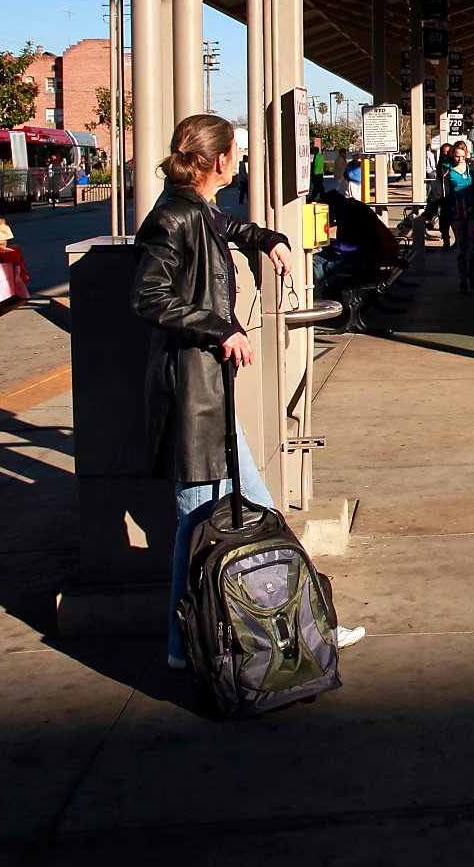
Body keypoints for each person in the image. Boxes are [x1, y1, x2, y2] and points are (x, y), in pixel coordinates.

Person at [130, 113, 365, 671]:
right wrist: (221, 327)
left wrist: (270, 239)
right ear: (218, 161)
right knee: (196, 523)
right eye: (234, 152)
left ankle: (304, 620)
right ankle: (190, 645)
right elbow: (147, 297)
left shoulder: (196, 208)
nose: (238, 161)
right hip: (191, 396)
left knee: (252, 510)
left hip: (207, 393)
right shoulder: (174, 216)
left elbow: (226, 230)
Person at [437, 137, 474, 291]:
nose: (460, 159)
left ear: (466, 155)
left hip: (473, 210)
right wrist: (430, 210)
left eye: (462, 156)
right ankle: (462, 279)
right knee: (462, 246)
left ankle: (471, 272)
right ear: (453, 155)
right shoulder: (446, 169)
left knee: (473, 246)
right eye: (457, 156)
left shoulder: (472, 167)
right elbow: (439, 191)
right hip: (456, 211)